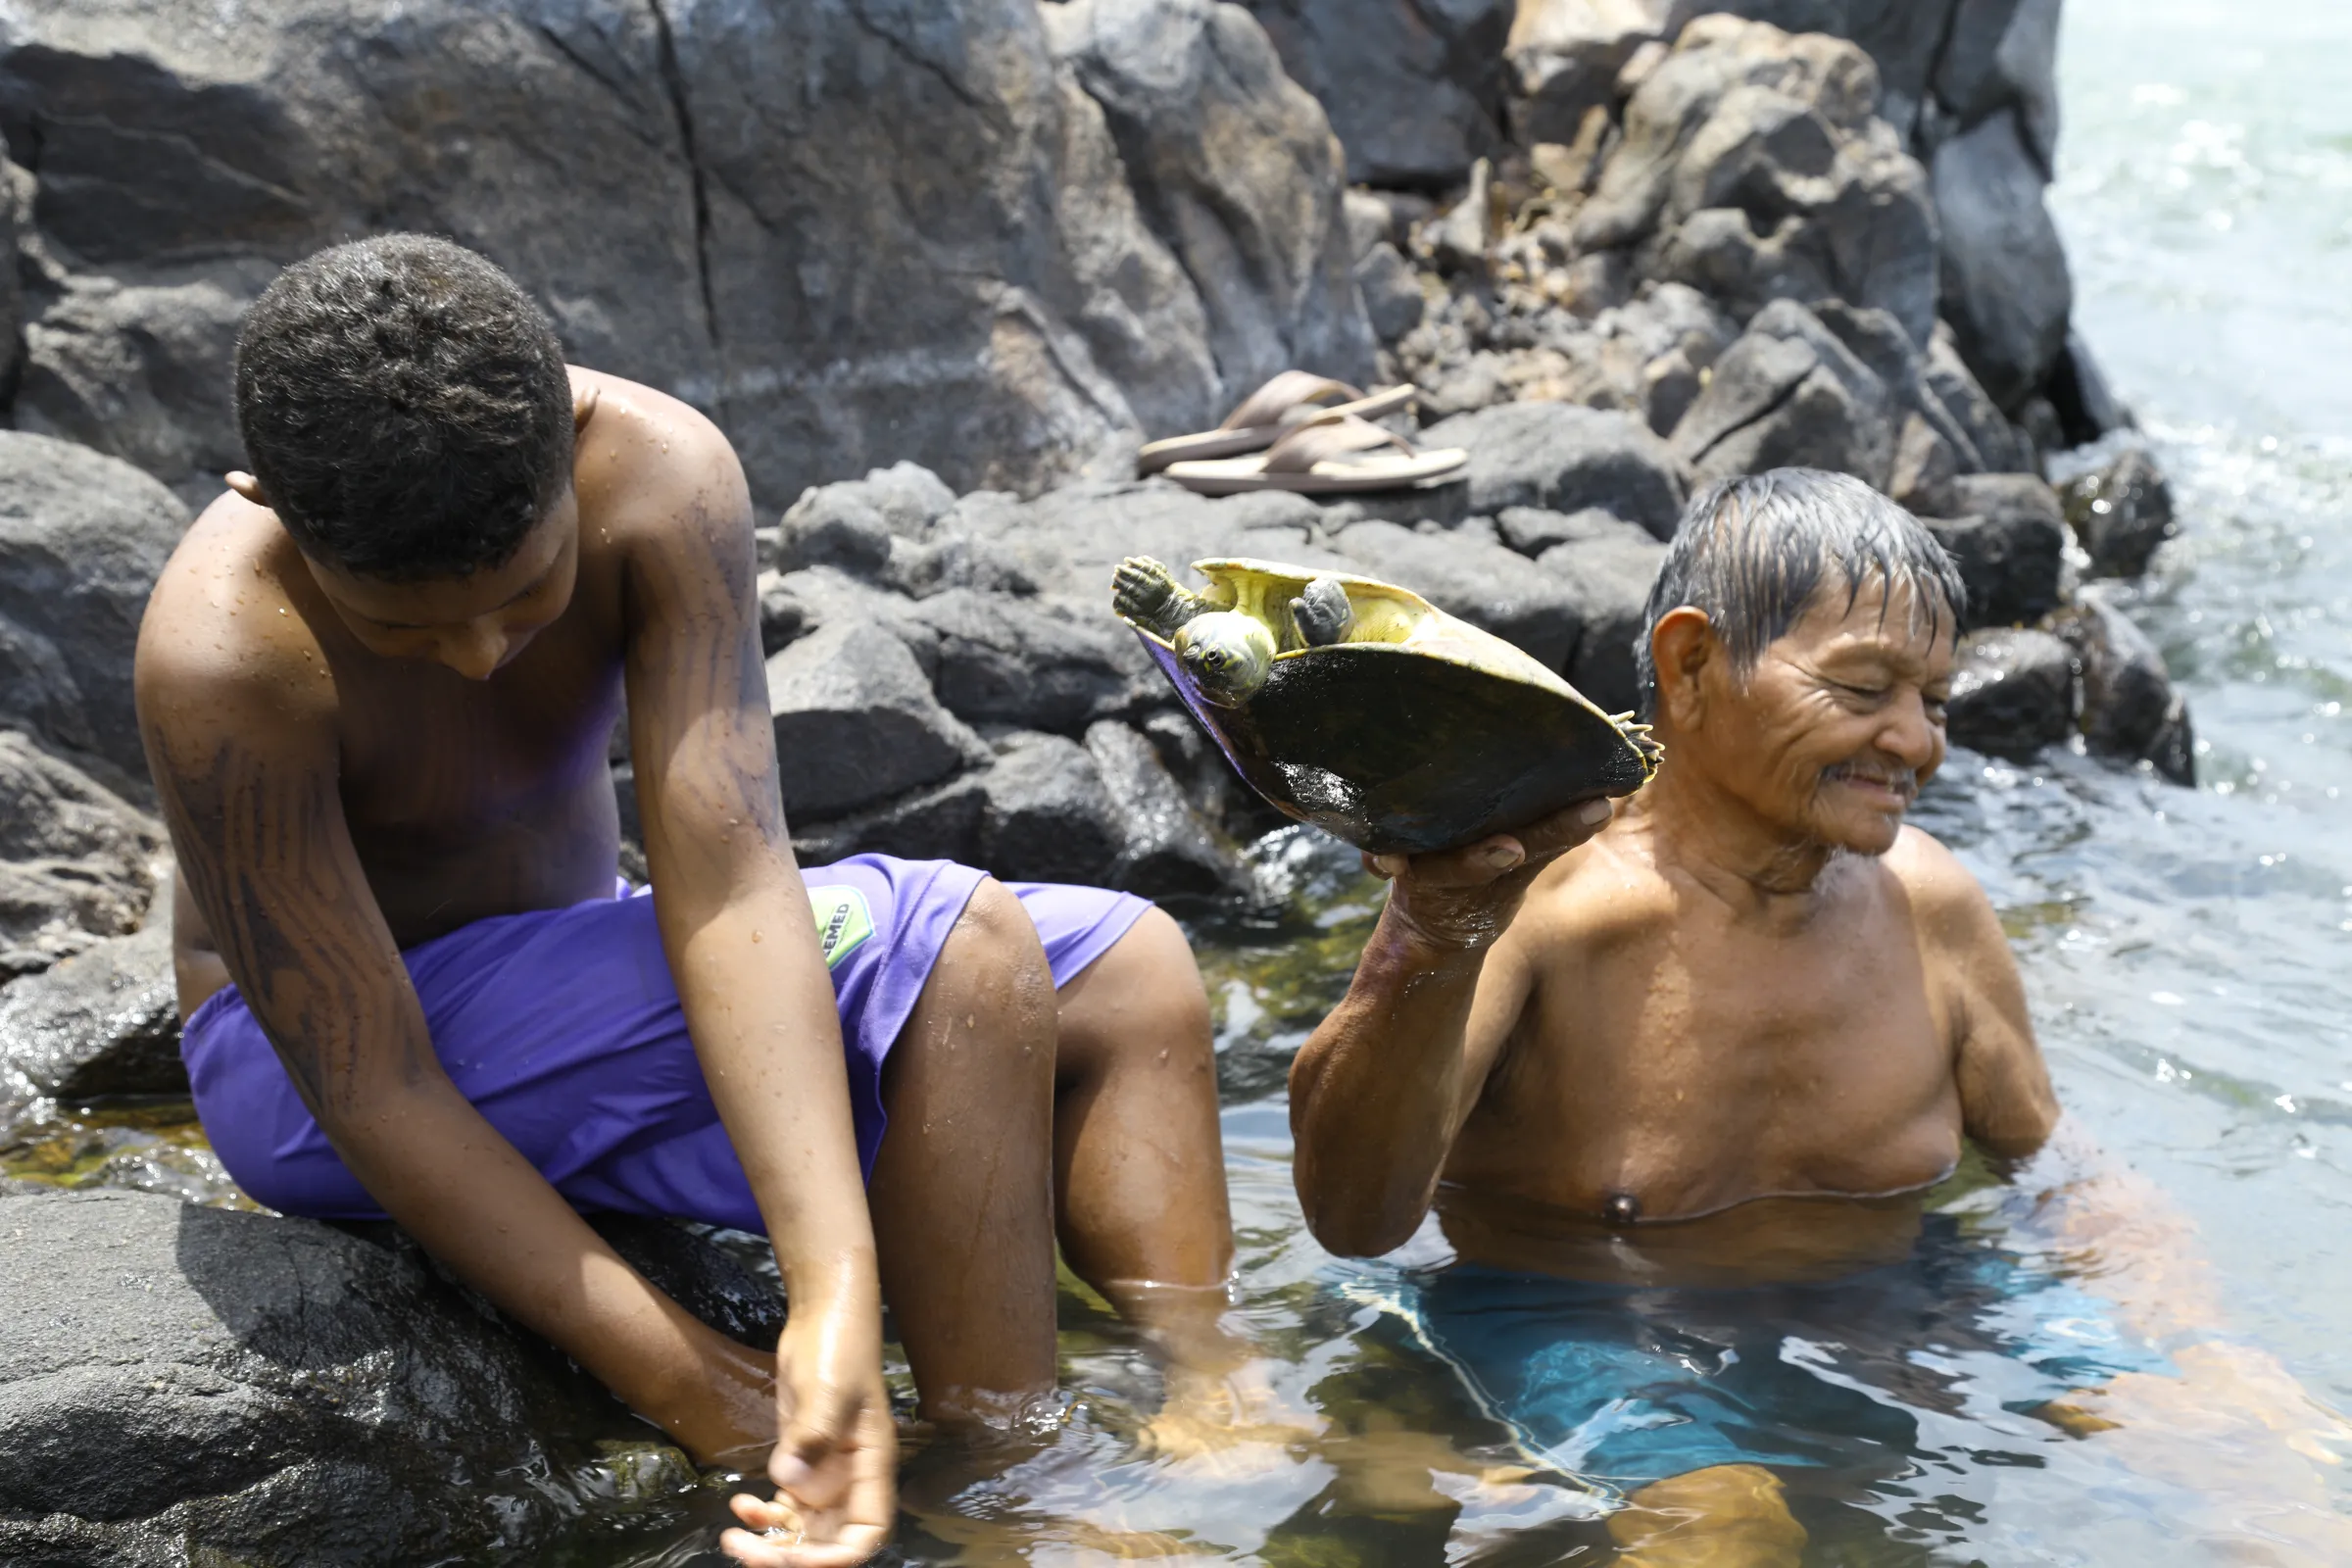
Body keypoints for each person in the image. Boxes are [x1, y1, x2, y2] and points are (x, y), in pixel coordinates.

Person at [134, 234, 1234, 1568]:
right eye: (406, 631)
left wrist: (831, 1291)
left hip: (570, 994)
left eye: (527, 594)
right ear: (272, 505)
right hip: (322, 1070)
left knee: (1127, 968)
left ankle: (1217, 1395)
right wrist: (705, 1387)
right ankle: (1007, 1487)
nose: (480, 656)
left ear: (571, 436)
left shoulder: (659, 478)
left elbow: (725, 876)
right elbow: (376, 1084)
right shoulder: (225, 647)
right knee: (965, 946)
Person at [1287, 469, 2351, 1563]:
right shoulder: (1541, 910)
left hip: (1903, 1294)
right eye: (1863, 690)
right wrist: (1425, 933)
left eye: (1933, 701)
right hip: (1582, 1314)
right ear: (1691, 664)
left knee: (2260, 1458)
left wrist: (2197, 1340)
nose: (1916, 743)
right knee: (1727, 1530)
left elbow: (2066, 1175)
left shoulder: (1930, 908)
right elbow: (1354, 1220)